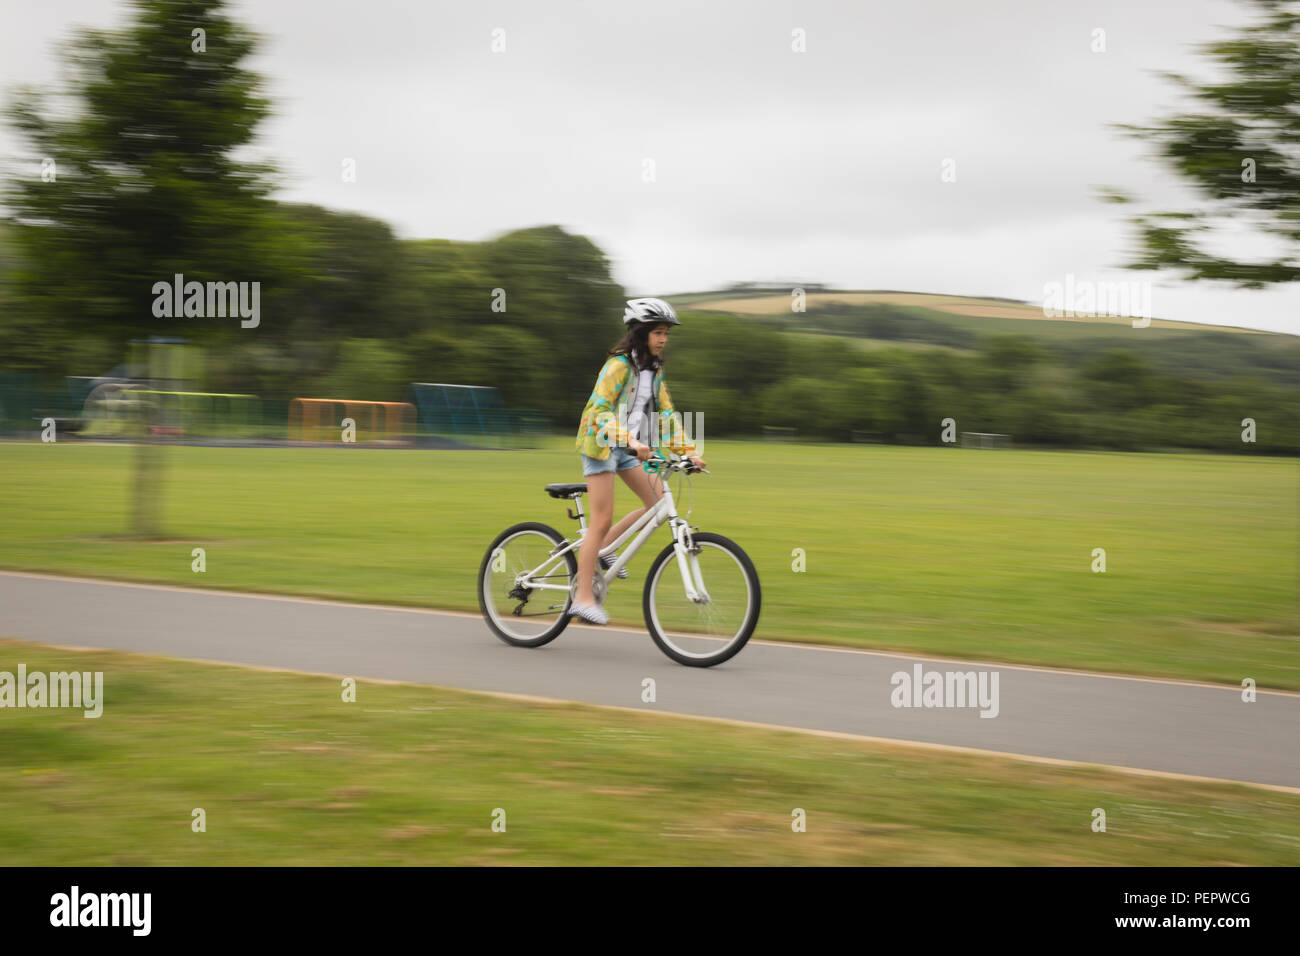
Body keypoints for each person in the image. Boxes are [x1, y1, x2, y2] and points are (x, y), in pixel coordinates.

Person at [570, 297, 707, 625]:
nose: (663, 339)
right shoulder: (618, 366)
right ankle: (582, 597)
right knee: (601, 518)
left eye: (666, 334)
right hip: (602, 443)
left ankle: (604, 549)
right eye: (658, 332)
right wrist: (630, 439)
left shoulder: (654, 370)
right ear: (641, 332)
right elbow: (599, 410)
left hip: (632, 449)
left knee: (657, 504)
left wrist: (688, 452)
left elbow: (666, 414)